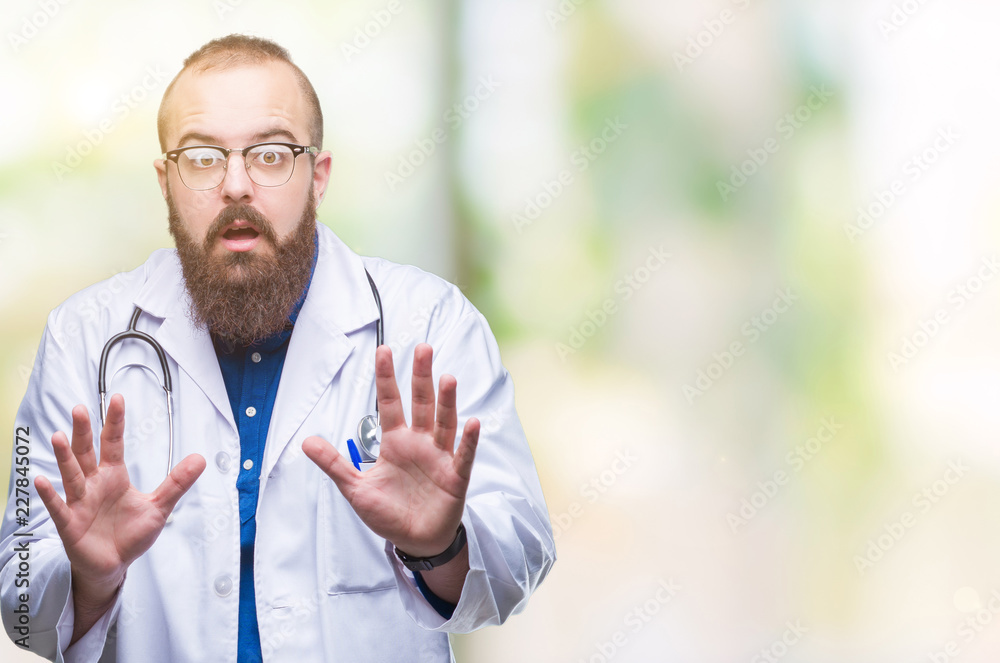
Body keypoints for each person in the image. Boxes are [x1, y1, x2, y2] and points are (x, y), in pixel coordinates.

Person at [0, 34, 555, 662]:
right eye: (203, 157)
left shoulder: (431, 323)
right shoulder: (79, 338)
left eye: (270, 154)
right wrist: (90, 577)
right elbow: (18, 600)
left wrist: (440, 545)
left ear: (318, 176)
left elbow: (521, 559)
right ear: (166, 181)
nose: (236, 185)